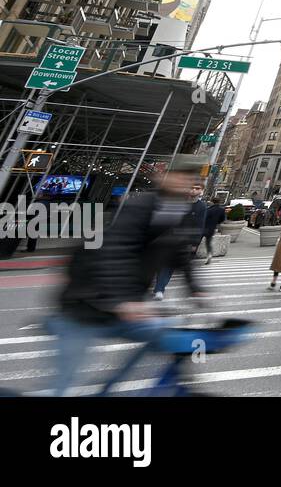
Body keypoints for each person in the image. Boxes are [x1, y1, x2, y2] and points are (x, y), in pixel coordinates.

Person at [50, 162, 206, 396]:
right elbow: (115, 250)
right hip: (85, 302)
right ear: (161, 176)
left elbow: (181, 254)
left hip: (125, 303)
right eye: (179, 175)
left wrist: (196, 289)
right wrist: (123, 300)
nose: (184, 182)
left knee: (164, 333)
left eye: (190, 178)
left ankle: (112, 386)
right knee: (65, 384)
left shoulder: (179, 211)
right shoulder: (139, 205)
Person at [154, 183, 207, 297]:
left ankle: (160, 289)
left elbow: (200, 226)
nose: (193, 190)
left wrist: (195, 243)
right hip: (170, 238)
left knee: (178, 266)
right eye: (191, 187)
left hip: (185, 242)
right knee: (165, 265)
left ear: (201, 191)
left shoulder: (201, 207)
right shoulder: (178, 201)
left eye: (197, 188)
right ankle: (159, 289)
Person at [200, 197, 224, 264]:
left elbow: (203, 218)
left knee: (196, 242)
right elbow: (222, 219)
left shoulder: (209, 209)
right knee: (208, 243)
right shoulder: (221, 210)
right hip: (212, 228)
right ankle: (209, 255)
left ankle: (191, 255)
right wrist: (216, 222)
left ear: (212, 202)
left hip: (203, 228)